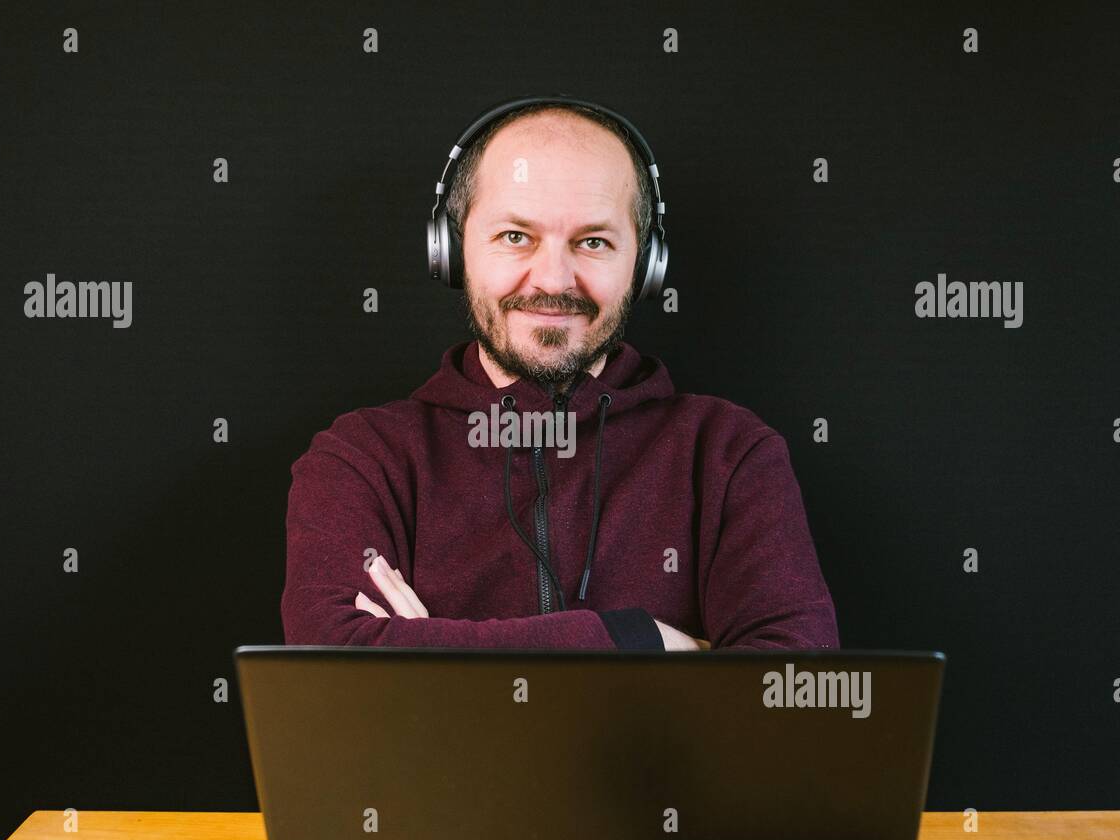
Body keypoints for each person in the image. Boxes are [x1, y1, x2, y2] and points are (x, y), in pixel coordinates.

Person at [281, 99, 839, 652]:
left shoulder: (728, 452)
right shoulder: (361, 459)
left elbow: (788, 687)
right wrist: (639, 639)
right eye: (516, 236)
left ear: (646, 265)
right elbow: (335, 663)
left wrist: (422, 649)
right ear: (451, 252)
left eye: (592, 242)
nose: (553, 279)